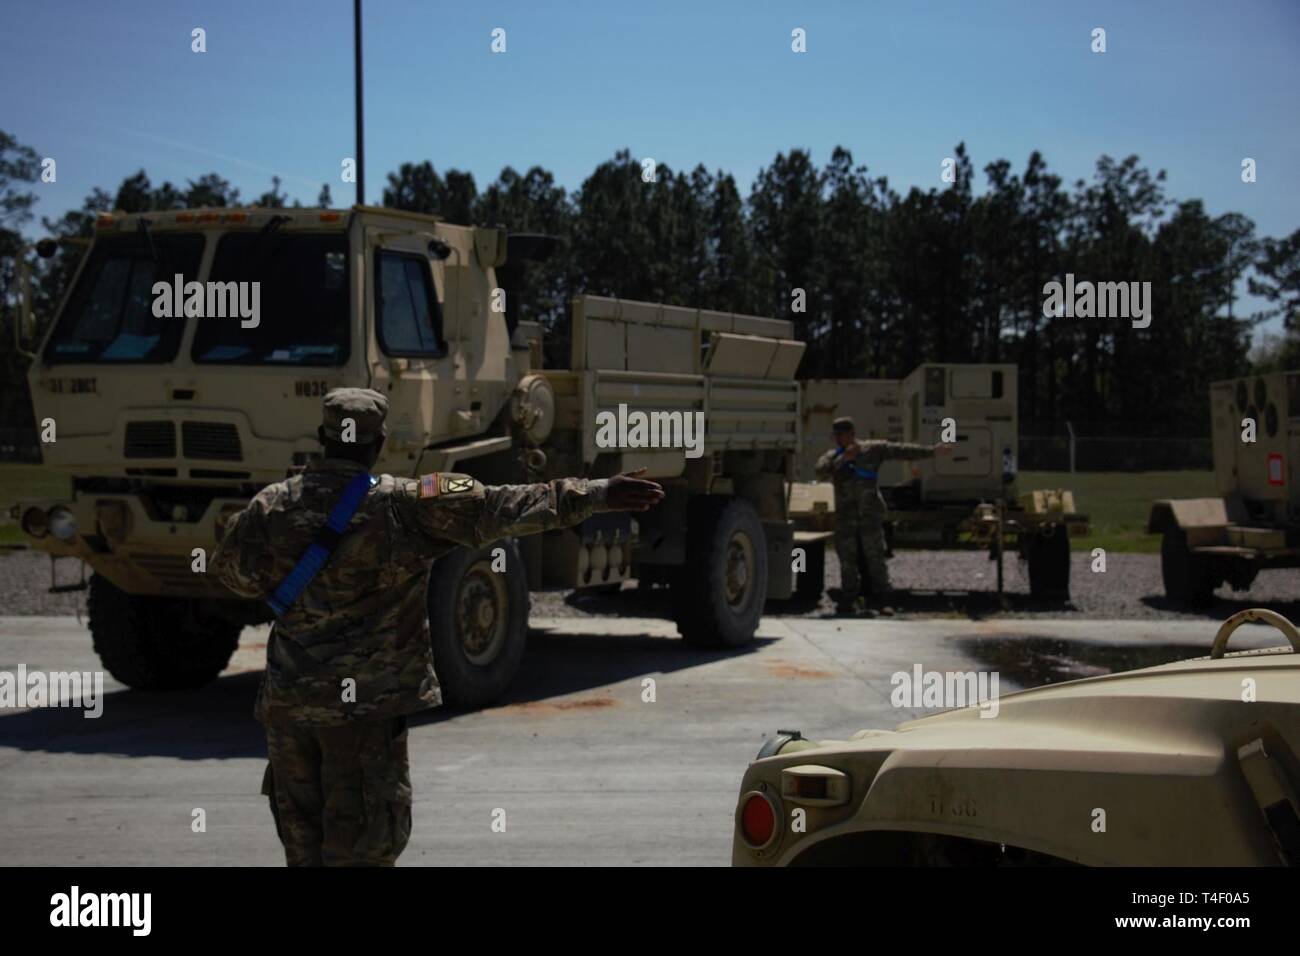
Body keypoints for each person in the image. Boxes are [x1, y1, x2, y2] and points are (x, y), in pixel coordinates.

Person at [211, 387, 664, 866]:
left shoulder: (272, 505)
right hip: (365, 713)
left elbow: (232, 575)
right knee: (363, 849)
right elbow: (503, 505)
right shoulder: (407, 503)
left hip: (290, 709)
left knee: (302, 853)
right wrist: (598, 494)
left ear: (323, 437)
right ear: (379, 442)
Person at [814, 416, 944, 616]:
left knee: (875, 557)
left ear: (851, 434)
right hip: (846, 518)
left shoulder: (871, 450)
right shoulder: (833, 456)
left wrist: (932, 451)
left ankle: (883, 600)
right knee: (847, 559)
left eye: (841, 435)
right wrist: (843, 459)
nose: (838, 439)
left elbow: (901, 450)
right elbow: (820, 472)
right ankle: (848, 599)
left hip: (870, 515)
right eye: (835, 435)